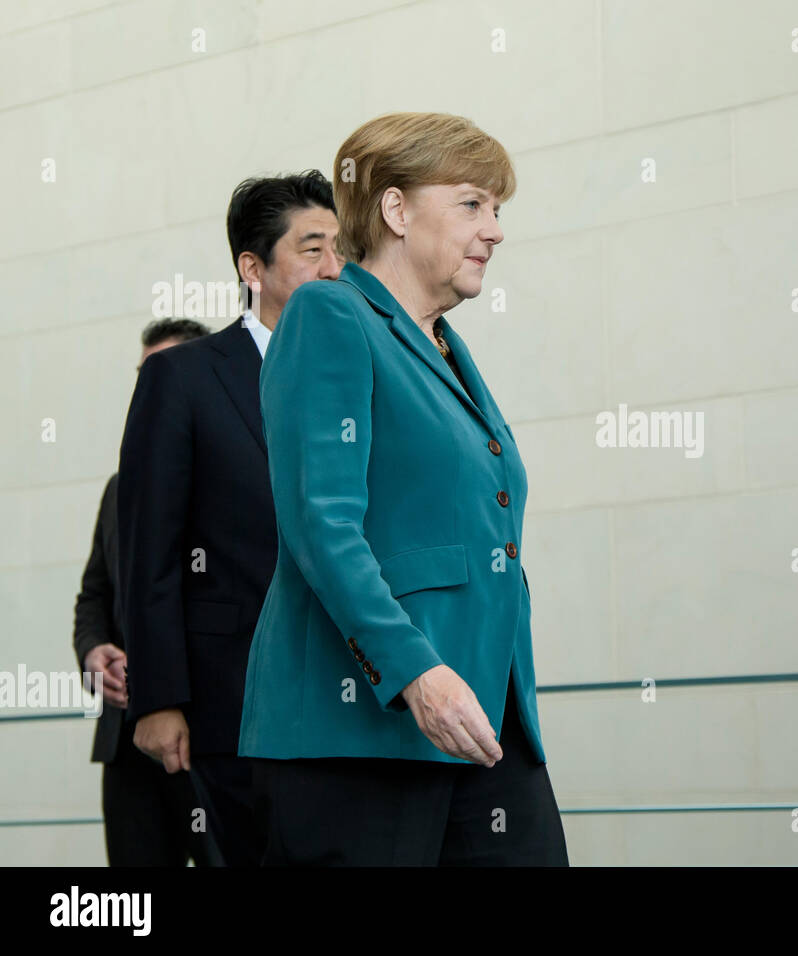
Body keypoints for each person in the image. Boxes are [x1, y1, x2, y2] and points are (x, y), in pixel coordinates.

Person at [241, 112, 568, 866]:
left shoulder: (446, 347)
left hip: (484, 722)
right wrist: (415, 672)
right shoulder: (330, 314)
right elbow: (322, 525)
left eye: (498, 209)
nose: (494, 230)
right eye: (472, 204)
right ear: (395, 210)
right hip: (361, 733)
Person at [116, 172, 344, 866]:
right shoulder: (183, 377)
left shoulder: (357, 374)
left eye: (341, 248)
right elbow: (148, 548)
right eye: (312, 250)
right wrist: (157, 700)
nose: (335, 268)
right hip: (233, 702)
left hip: (352, 696)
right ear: (254, 267)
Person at [74, 318, 219, 867]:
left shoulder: (232, 473)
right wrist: (94, 653)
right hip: (126, 745)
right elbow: (93, 597)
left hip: (207, 737)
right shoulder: (118, 490)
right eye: (141, 375)